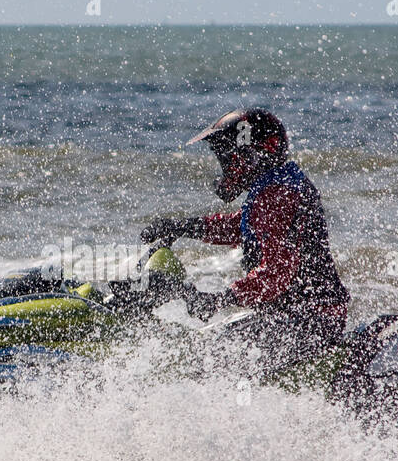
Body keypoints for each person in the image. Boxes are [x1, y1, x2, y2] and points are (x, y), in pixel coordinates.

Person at [140, 107, 350, 374]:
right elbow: (243, 226)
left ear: (249, 154)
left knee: (206, 361)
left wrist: (219, 299)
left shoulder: (277, 193)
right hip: (304, 317)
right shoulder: (279, 184)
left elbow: (277, 273)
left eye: (226, 158)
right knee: (209, 345)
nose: (223, 169)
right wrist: (184, 227)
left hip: (308, 321)